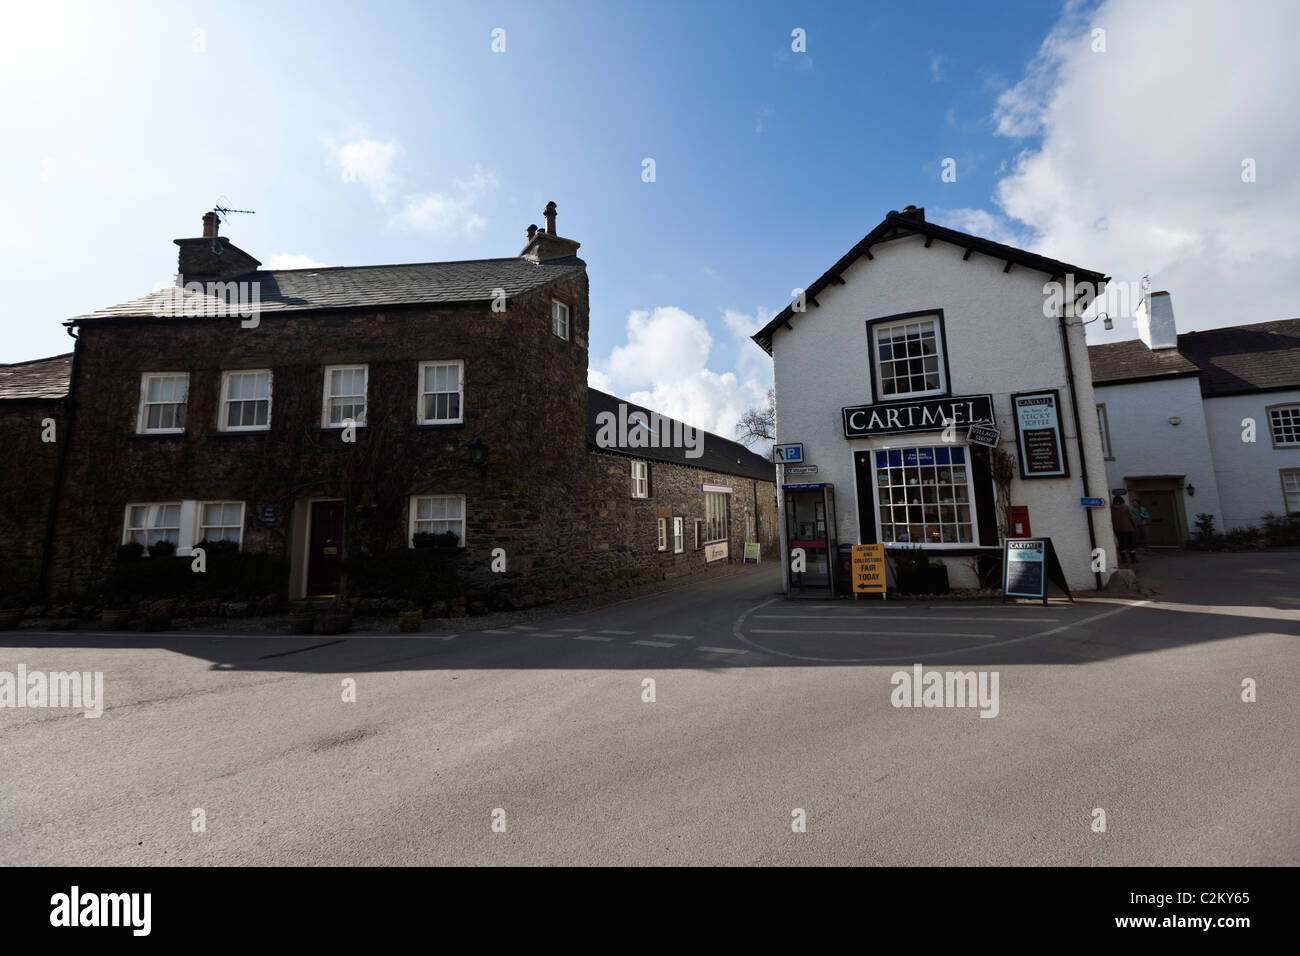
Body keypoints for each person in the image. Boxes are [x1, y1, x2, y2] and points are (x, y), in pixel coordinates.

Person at [1111, 494, 1137, 564]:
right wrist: (1135, 526)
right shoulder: (1126, 507)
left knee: (1121, 544)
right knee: (1130, 544)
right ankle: (1133, 559)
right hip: (1128, 529)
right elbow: (1131, 518)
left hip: (1118, 530)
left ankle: (1123, 559)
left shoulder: (1111, 508)